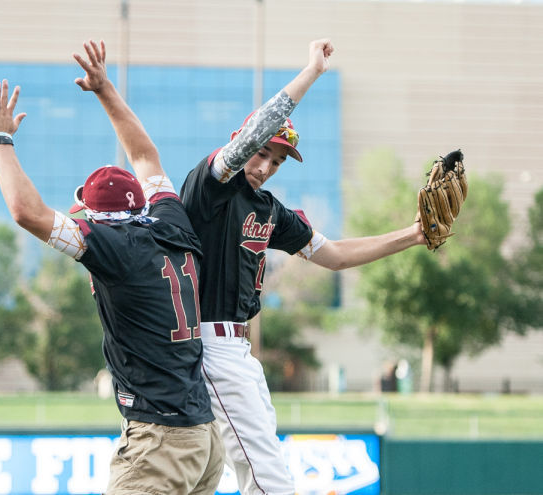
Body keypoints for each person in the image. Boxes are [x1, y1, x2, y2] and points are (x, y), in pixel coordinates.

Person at [180, 38, 427, 494]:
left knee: (215, 468)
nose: (267, 165)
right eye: (262, 152)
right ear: (242, 142)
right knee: (268, 476)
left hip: (239, 350)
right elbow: (261, 127)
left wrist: (411, 236)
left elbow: (333, 255)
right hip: (208, 343)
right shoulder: (210, 188)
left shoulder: (268, 209)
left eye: (277, 160)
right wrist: (312, 71)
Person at [0, 39, 224, 495]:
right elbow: (145, 156)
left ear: (95, 217)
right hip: (202, 436)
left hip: (162, 441)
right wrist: (104, 89)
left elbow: (27, 213)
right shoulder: (172, 222)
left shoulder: (114, 248)